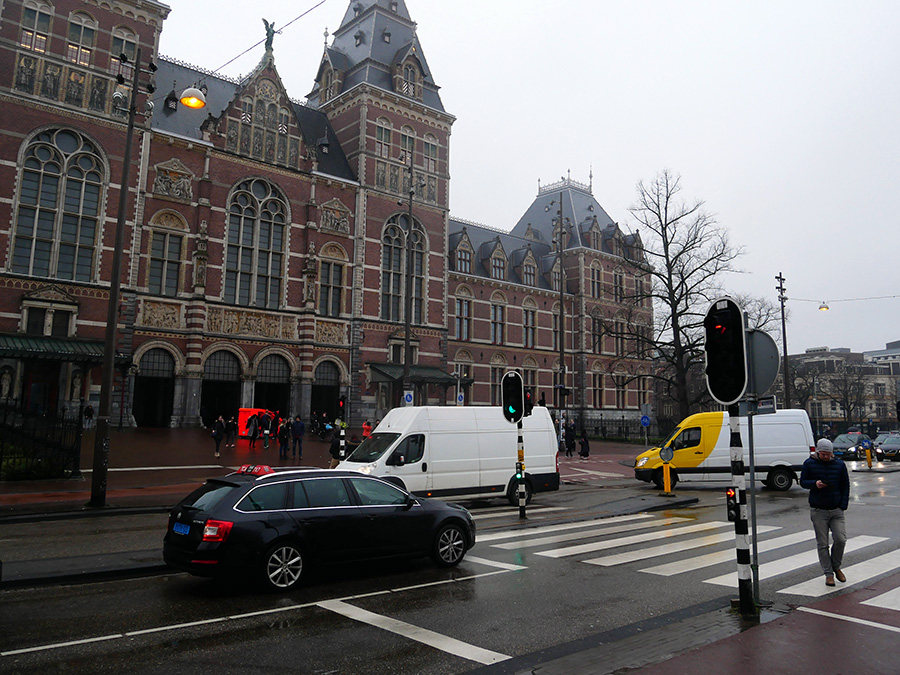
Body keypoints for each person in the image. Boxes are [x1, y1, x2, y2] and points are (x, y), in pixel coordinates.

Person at [800, 438, 850, 587]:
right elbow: (802, 481)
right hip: (818, 510)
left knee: (841, 539)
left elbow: (845, 485)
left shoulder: (839, 465)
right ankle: (828, 574)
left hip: (836, 509)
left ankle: (836, 566)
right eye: (823, 454)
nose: (826, 457)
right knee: (823, 544)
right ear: (818, 452)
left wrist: (843, 505)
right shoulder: (809, 464)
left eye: (828, 454)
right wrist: (815, 484)